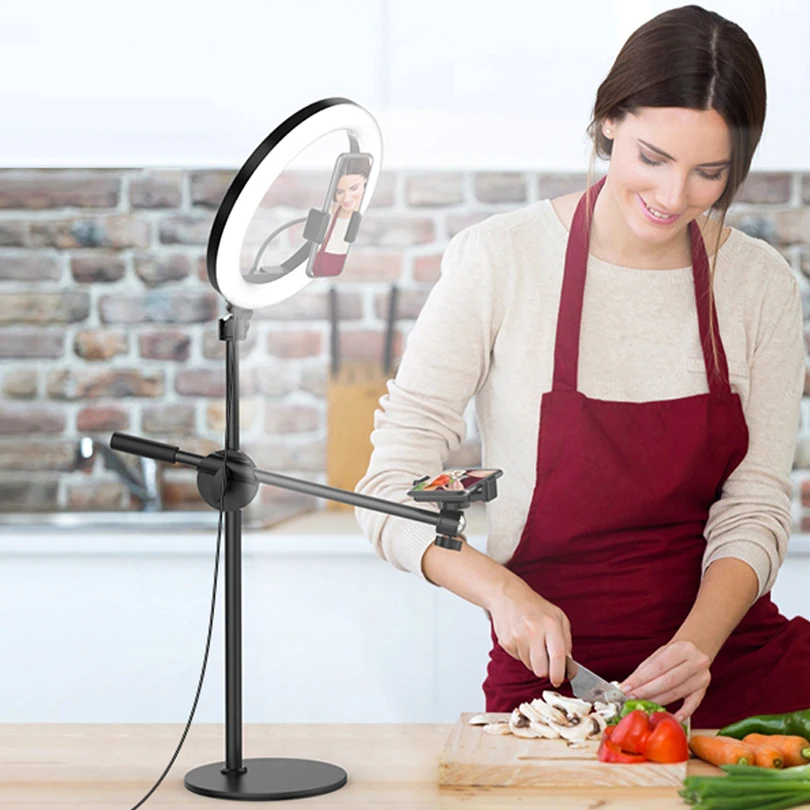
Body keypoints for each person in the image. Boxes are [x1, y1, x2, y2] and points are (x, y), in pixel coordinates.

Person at [354, 4, 810, 729]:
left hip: (728, 658)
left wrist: (698, 643)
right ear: (607, 124)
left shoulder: (761, 286)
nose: (672, 197)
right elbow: (389, 486)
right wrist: (502, 593)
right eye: (652, 159)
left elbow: (755, 503)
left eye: (708, 175)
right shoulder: (499, 260)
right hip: (554, 680)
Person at [311, 156, 370, 276]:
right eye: (339, 192)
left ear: (367, 183)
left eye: (354, 188)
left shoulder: (369, 219)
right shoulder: (330, 212)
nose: (346, 198)